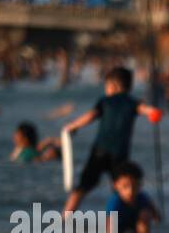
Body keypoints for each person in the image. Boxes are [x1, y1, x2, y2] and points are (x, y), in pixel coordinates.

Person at [62, 67, 161, 213]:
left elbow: (90, 116)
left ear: (114, 85)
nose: (106, 90)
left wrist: (72, 126)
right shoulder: (132, 102)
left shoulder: (105, 101)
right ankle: (125, 218)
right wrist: (153, 112)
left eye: (106, 86)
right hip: (120, 154)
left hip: (99, 152)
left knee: (82, 188)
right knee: (121, 188)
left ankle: (64, 219)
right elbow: (144, 109)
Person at [105, 162, 159, 233]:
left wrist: (155, 217)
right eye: (125, 186)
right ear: (115, 185)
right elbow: (109, 228)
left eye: (135, 186)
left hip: (135, 224)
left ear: (140, 184)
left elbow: (154, 211)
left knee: (145, 213)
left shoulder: (142, 197)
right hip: (119, 227)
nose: (130, 190)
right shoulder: (115, 202)